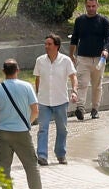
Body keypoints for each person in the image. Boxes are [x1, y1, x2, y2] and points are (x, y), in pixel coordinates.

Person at [0, 59, 55, 189]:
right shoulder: (27, 87)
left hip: (3, 132)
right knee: (31, 164)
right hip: (22, 132)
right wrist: (27, 123)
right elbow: (36, 111)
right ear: (18, 70)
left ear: (3, 71)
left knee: (4, 166)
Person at [33, 34, 78, 165]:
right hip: (44, 101)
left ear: (56, 46)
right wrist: (38, 94)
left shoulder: (66, 61)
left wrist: (74, 91)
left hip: (61, 100)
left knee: (62, 129)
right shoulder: (40, 60)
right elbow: (37, 78)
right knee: (43, 128)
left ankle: (60, 154)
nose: (46, 46)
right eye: (45, 44)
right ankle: (42, 156)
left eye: (49, 44)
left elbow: (73, 77)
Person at [69, 0, 109, 120]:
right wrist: (71, 54)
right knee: (82, 83)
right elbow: (75, 38)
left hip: (99, 58)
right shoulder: (80, 20)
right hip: (83, 57)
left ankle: (95, 108)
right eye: (88, 6)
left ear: (97, 6)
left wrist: (105, 50)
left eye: (93, 6)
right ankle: (80, 108)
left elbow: (108, 38)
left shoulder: (104, 21)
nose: (91, 9)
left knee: (97, 85)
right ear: (85, 6)